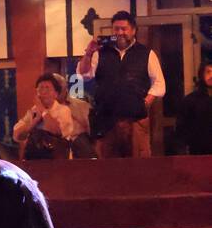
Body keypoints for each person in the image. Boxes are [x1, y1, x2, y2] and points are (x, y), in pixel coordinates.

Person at [77, 11, 164, 158]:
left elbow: (159, 84)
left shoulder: (146, 53)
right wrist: (88, 54)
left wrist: (145, 103)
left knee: (139, 167)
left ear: (133, 30)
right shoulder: (100, 52)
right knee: (108, 169)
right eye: (116, 29)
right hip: (106, 121)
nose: (120, 33)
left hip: (136, 121)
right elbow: (83, 75)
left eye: (124, 29)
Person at [13, 74, 73, 158]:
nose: (44, 92)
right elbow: (17, 135)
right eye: (40, 88)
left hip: (57, 159)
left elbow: (56, 131)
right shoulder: (33, 111)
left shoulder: (63, 110)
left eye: (47, 88)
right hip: (34, 159)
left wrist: (43, 110)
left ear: (56, 94)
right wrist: (34, 122)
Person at [48, 70, 94, 158]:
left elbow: (92, 131)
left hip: (78, 144)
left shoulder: (82, 106)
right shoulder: (41, 109)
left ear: (65, 88)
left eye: (58, 88)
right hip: (53, 145)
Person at [174, 58, 212, 155]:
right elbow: (181, 127)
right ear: (201, 74)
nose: (211, 76)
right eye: (208, 72)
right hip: (198, 152)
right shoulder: (190, 100)